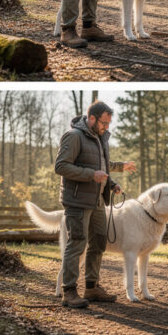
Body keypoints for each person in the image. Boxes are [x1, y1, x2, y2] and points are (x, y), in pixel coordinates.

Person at [54, 100, 137, 308]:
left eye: (109, 124)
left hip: (98, 202)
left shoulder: (99, 139)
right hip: (77, 202)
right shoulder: (73, 136)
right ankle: (69, 291)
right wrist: (92, 175)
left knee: (99, 243)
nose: (106, 127)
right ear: (91, 118)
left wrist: (112, 182)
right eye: (104, 123)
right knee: (77, 244)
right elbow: (61, 166)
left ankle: (91, 287)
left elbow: (101, 165)